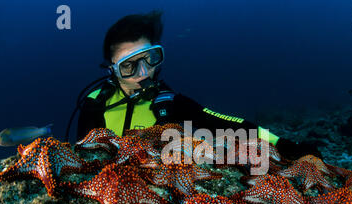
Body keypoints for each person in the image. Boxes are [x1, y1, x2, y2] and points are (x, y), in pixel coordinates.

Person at [76, 11, 322, 161]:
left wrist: (284, 144)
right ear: (111, 68)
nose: (143, 73)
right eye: (128, 66)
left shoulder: (170, 104)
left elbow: (228, 124)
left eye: (149, 59)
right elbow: (83, 157)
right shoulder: (94, 105)